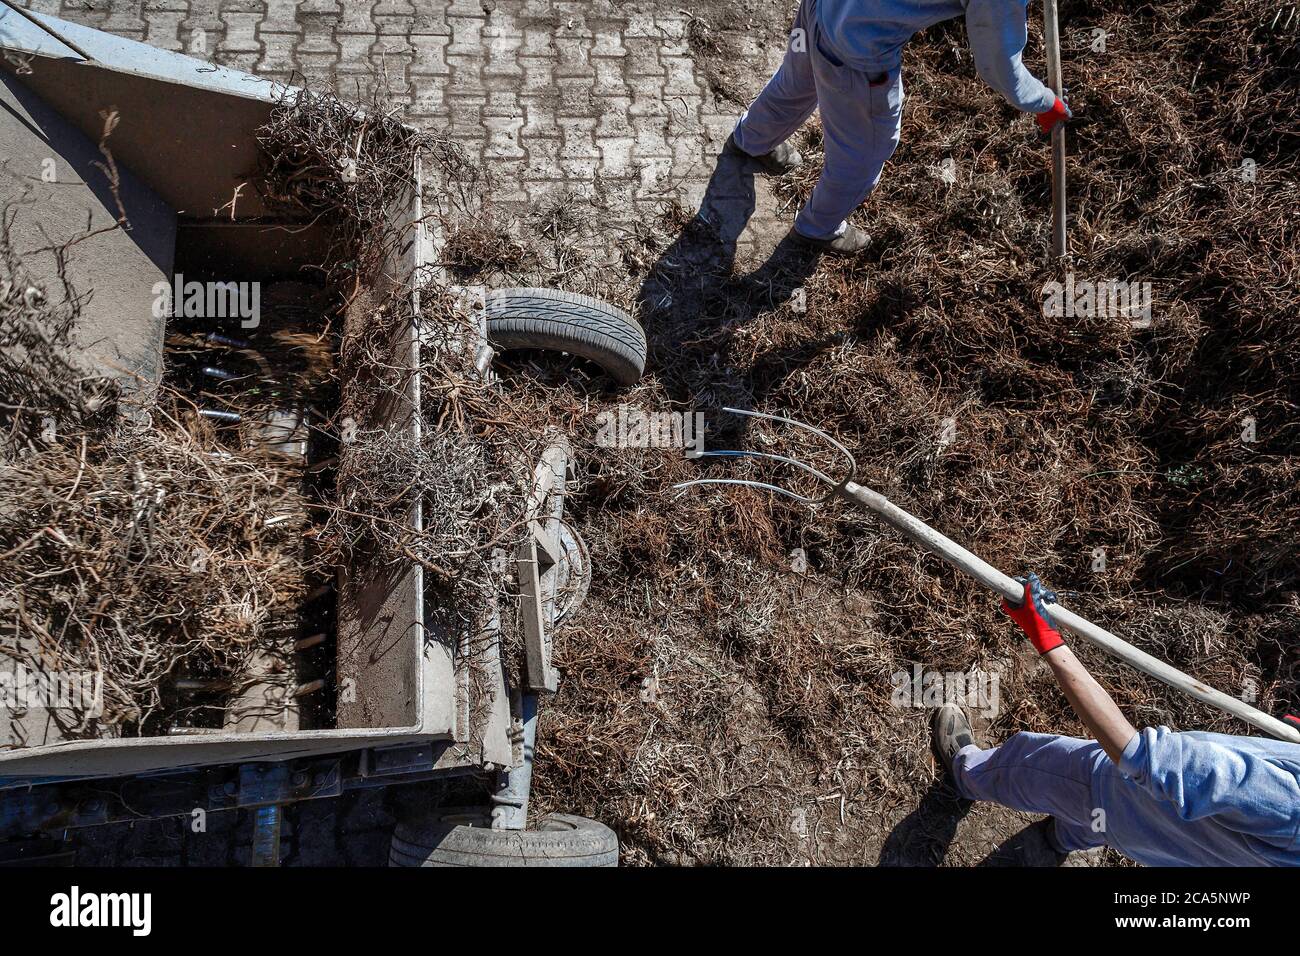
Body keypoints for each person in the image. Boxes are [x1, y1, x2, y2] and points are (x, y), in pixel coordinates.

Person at [930, 573, 1300, 865]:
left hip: (1113, 790)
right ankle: (1060, 840)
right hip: (1158, 844)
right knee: (1099, 826)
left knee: (1030, 765)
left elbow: (1137, 756)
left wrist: (1046, 638)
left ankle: (968, 773)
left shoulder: (1288, 803)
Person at [727, 0, 1071, 254]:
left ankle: (752, 138)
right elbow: (998, 66)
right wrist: (1043, 101)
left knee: (796, 81)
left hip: (823, 9)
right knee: (863, 154)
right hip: (856, 49)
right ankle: (818, 228)